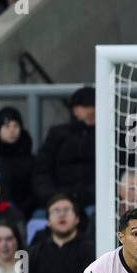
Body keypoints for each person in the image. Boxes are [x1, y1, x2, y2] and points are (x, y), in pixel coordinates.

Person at [33, 86, 96, 214]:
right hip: (59, 200)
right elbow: (41, 172)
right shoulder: (57, 134)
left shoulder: (111, 135)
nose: (91, 111)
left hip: (97, 202)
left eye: (95, 105)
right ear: (74, 110)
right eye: (85, 106)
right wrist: (53, 198)